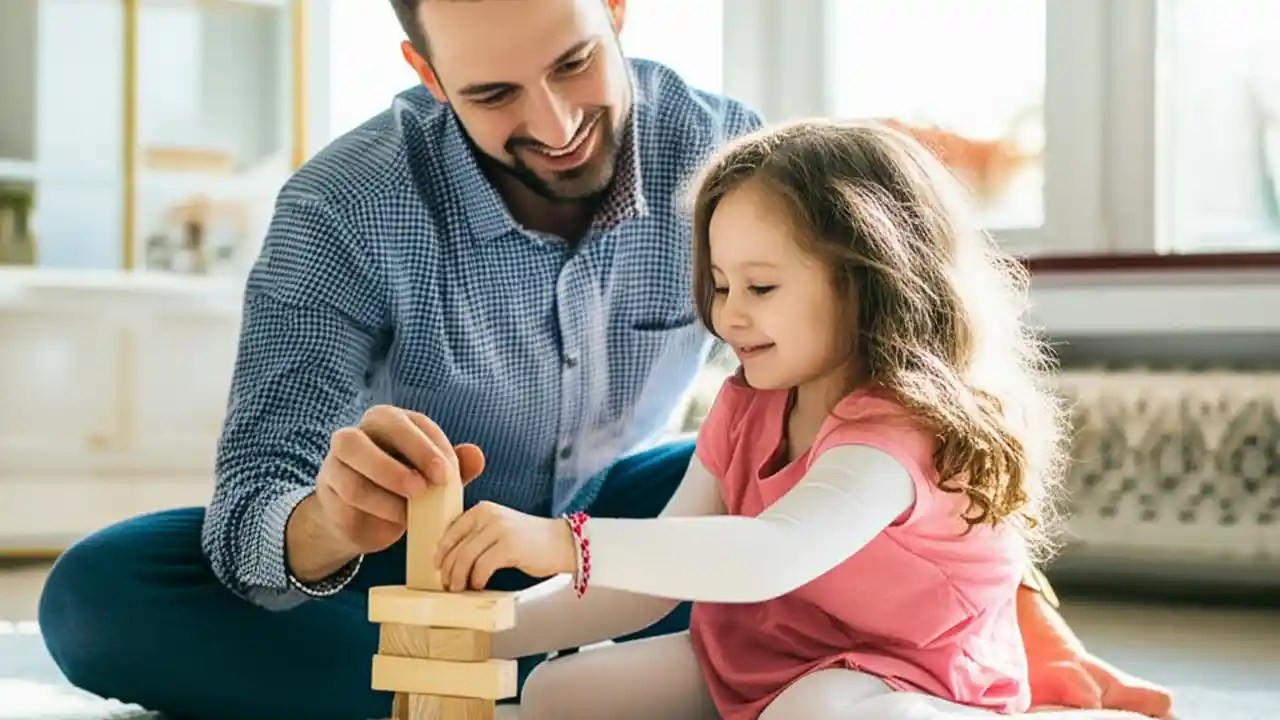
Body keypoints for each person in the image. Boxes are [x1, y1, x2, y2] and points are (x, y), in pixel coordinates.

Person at [35, 1, 1172, 719]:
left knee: (740, 572)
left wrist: (1024, 619)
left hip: (668, 535)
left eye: (574, 62)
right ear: (426, 75)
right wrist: (338, 528)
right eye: (491, 93)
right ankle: (444, 667)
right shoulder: (343, 208)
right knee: (101, 593)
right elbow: (255, 500)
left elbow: (885, 474)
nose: (556, 120)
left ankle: (439, 681)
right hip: (438, 549)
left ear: (618, 10)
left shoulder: (737, 157)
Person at [413, 118, 1147, 720]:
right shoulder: (747, 403)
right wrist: (482, 633)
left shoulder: (898, 432)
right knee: (560, 692)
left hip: (911, 681)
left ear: (868, 281)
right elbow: (650, 578)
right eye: (722, 283)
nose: (729, 313)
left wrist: (557, 541)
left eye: (761, 286)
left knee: (817, 709)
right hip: (767, 652)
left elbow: (771, 554)